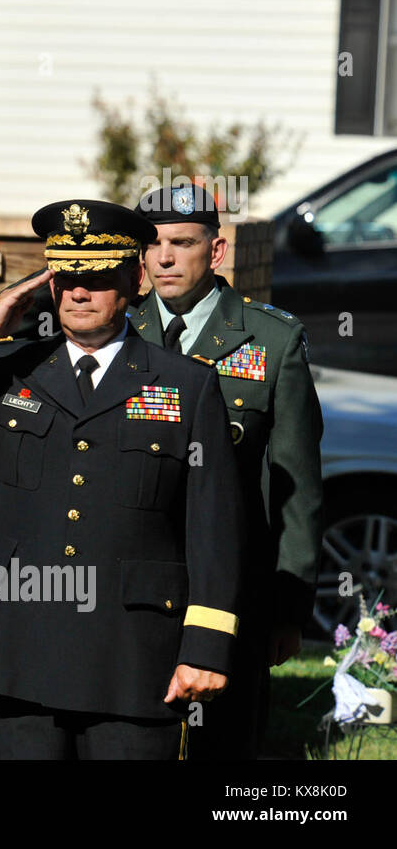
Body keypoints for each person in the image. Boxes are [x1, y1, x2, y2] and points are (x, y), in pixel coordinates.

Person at [0, 199, 247, 760]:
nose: (79, 293)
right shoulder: (11, 368)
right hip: (22, 641)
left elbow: (214, 523)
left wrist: (206, 646)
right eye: (68, 279)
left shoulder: (186, 384)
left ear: (135, 278)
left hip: (133, 651)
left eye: (97, 279)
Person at [133, 183, 323, 759]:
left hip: (235, 588)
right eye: (154, 244)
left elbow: (297, 485)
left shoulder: (271, 339)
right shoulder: (120, 331)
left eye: (182, 243)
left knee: (222, 742)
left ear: (215, 252)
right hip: (137, 589)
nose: (165, 257)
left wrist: (288, 608)